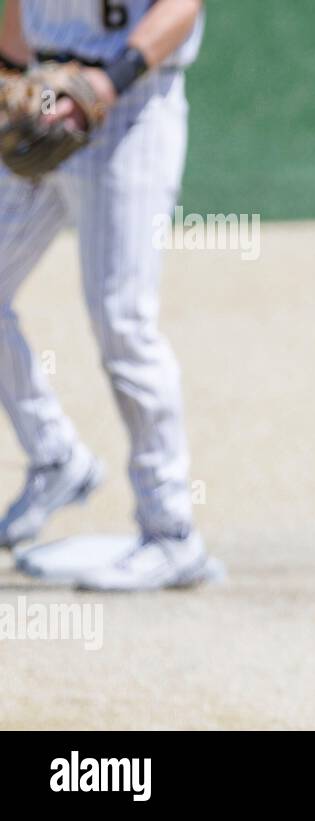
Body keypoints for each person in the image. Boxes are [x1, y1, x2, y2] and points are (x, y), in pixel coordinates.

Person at [0, 0, 220, 590]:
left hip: (130, 106)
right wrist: (8, 70)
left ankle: (171, 533)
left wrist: (110, 80)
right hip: (43, 97)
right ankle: (57, 461)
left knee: (122, 320)